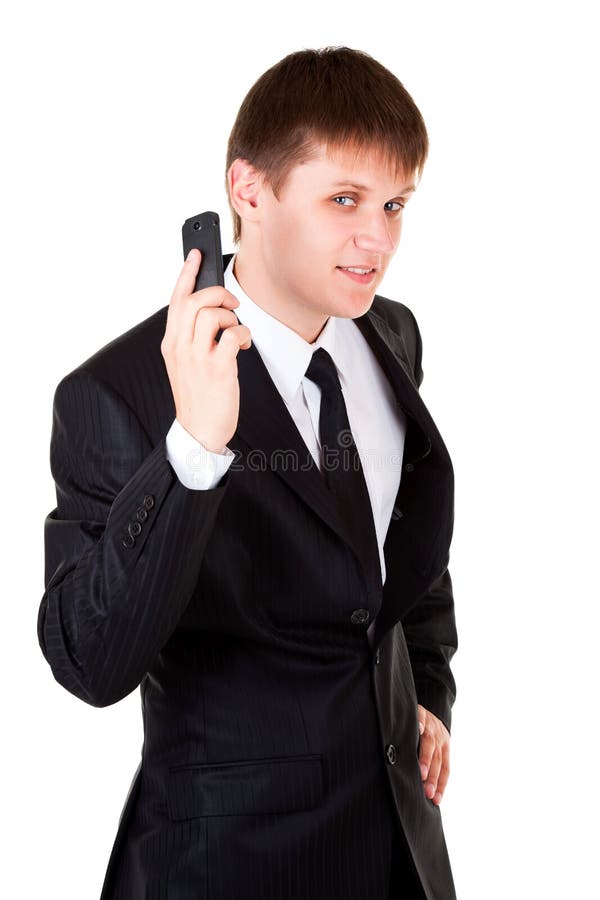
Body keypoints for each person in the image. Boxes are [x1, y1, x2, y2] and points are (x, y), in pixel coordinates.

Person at [38, 46, 458, 900]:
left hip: (400, 854)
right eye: (343, 199)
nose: (376, 239)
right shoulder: (114, 396)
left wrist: (425, 688)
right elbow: (89, 662)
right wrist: (192, 451)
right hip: (230, 866)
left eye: (394, 204)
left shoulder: (393, 335)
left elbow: (401, 542)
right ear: (250, 192)